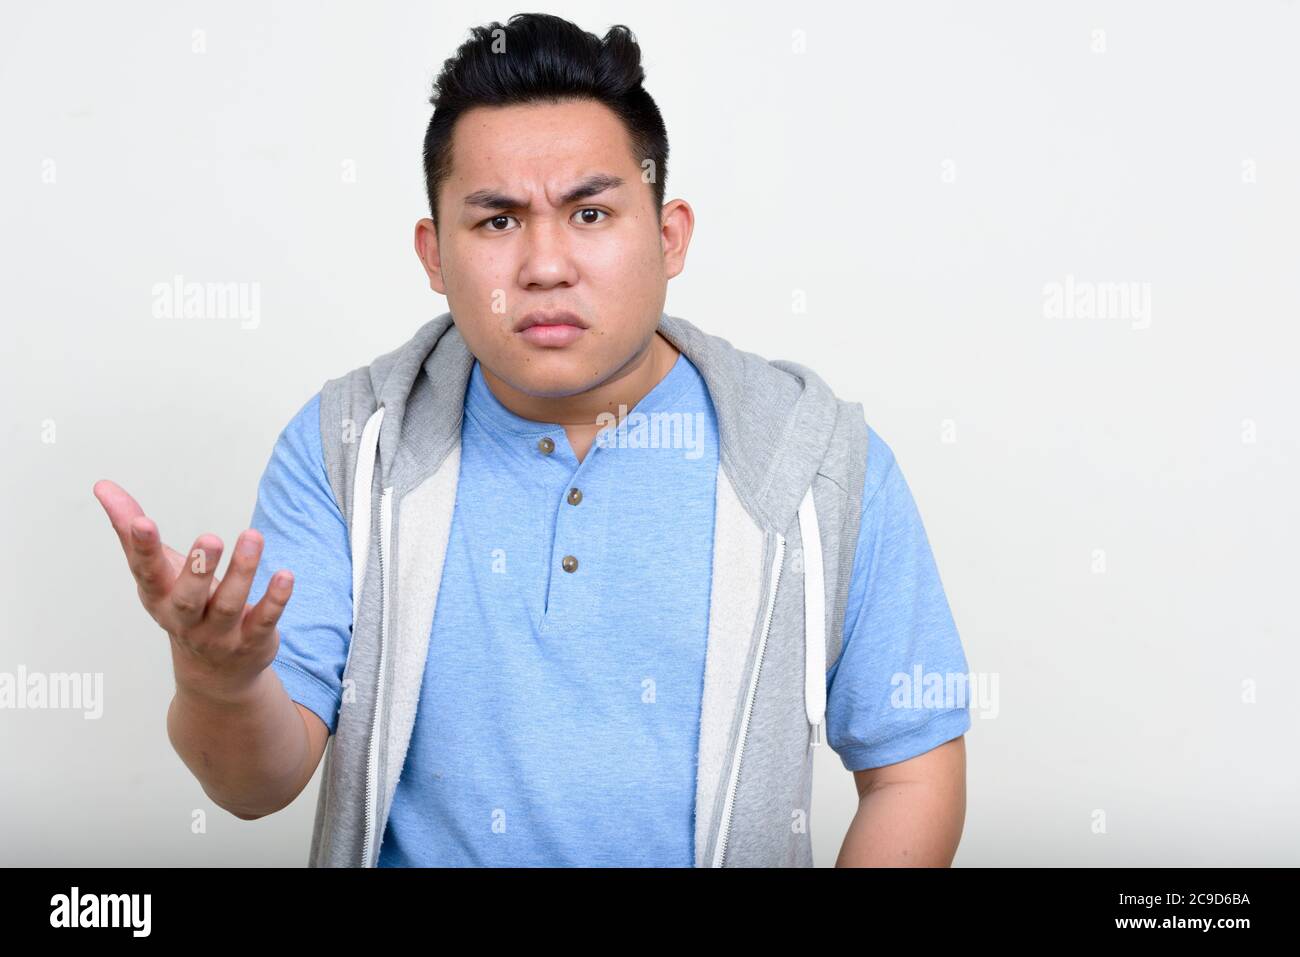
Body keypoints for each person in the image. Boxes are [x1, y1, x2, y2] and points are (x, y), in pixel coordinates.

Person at [94, 12, 970, 867]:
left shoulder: (811, 461)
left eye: (590, 214)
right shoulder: (347, 445)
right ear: (434, 255)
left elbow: (913, 770)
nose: (545, 264)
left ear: (669, 238)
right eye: (498, 220)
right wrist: (217, 680)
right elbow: (257, 783)